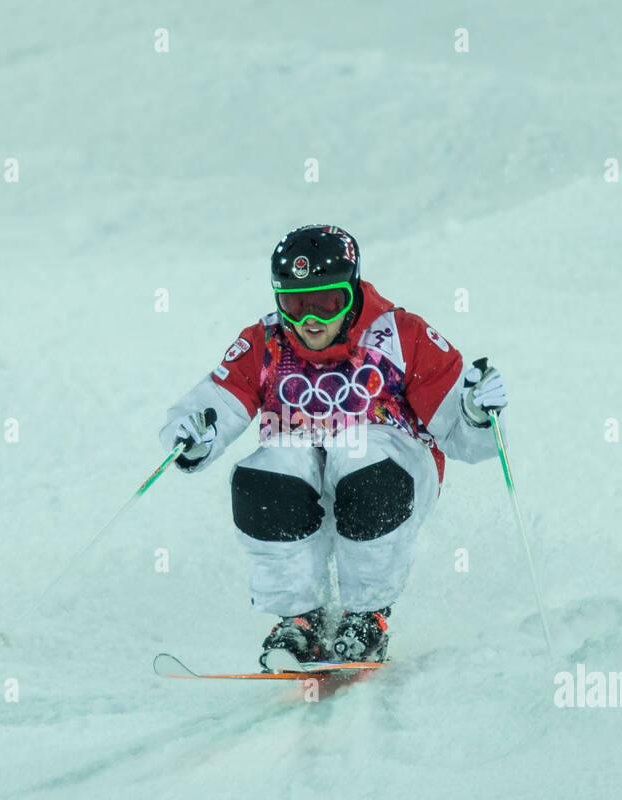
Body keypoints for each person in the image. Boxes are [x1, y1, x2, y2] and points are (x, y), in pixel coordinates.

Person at [160, 224, 507, 671]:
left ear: (353, 290)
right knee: (265, 472)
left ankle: (368, 615)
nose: (310, 320)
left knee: (359, 453)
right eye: (294, 302)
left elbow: (465, 436)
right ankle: (299, 619)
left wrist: (476, 413)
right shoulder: (265, 342)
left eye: (326, 302)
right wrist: (191, 439)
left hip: (390, 470)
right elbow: (215, 404)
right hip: (307, 484)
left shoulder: (401, 335)